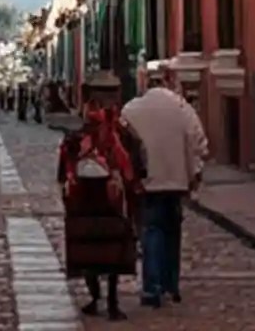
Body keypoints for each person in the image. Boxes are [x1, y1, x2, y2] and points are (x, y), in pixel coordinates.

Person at [58, 71, 146, 322]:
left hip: (86, 201)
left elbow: (64, 169)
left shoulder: (79, 135)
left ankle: (98, 298)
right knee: (112, 249)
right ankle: (111, 302)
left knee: (90, 250)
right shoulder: (123, 133)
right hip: (113, 201)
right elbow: (138, 165)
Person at [122, 61, 209, 308]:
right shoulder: (181, 107)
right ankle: (172, 285)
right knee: (172, 232)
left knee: (151, 231)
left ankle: (152, 288)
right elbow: (198, 143)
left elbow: (123, 147)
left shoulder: (131, 109)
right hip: (176, 182)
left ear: (145, 81)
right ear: (167, 80)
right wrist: (194, 174)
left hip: (147, 183)